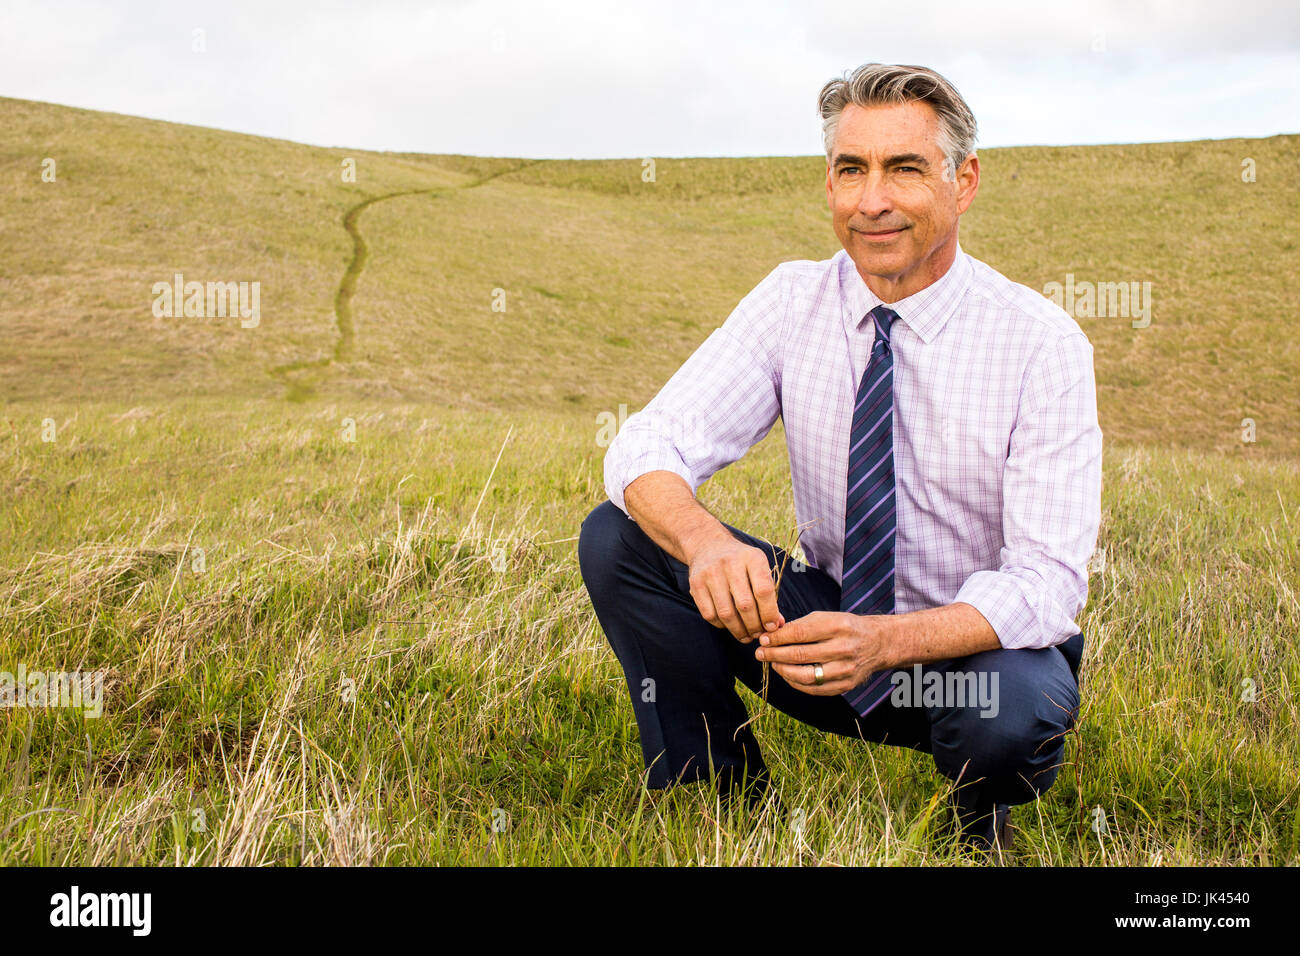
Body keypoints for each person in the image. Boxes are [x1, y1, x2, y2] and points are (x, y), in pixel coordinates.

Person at [577, 62, 1102, 853]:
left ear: (963, 183)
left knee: (1010, 712)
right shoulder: (793, 300)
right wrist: (707, 543)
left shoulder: (1041, 343)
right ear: (828, 184)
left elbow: (1046, 582)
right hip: (817, 635)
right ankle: (715, 793)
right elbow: (648, 442)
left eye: (904, 169)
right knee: (620, 536)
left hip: (965, 660)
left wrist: (888, 643)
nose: (871, 200)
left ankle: (974, 814)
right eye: (850, 170)